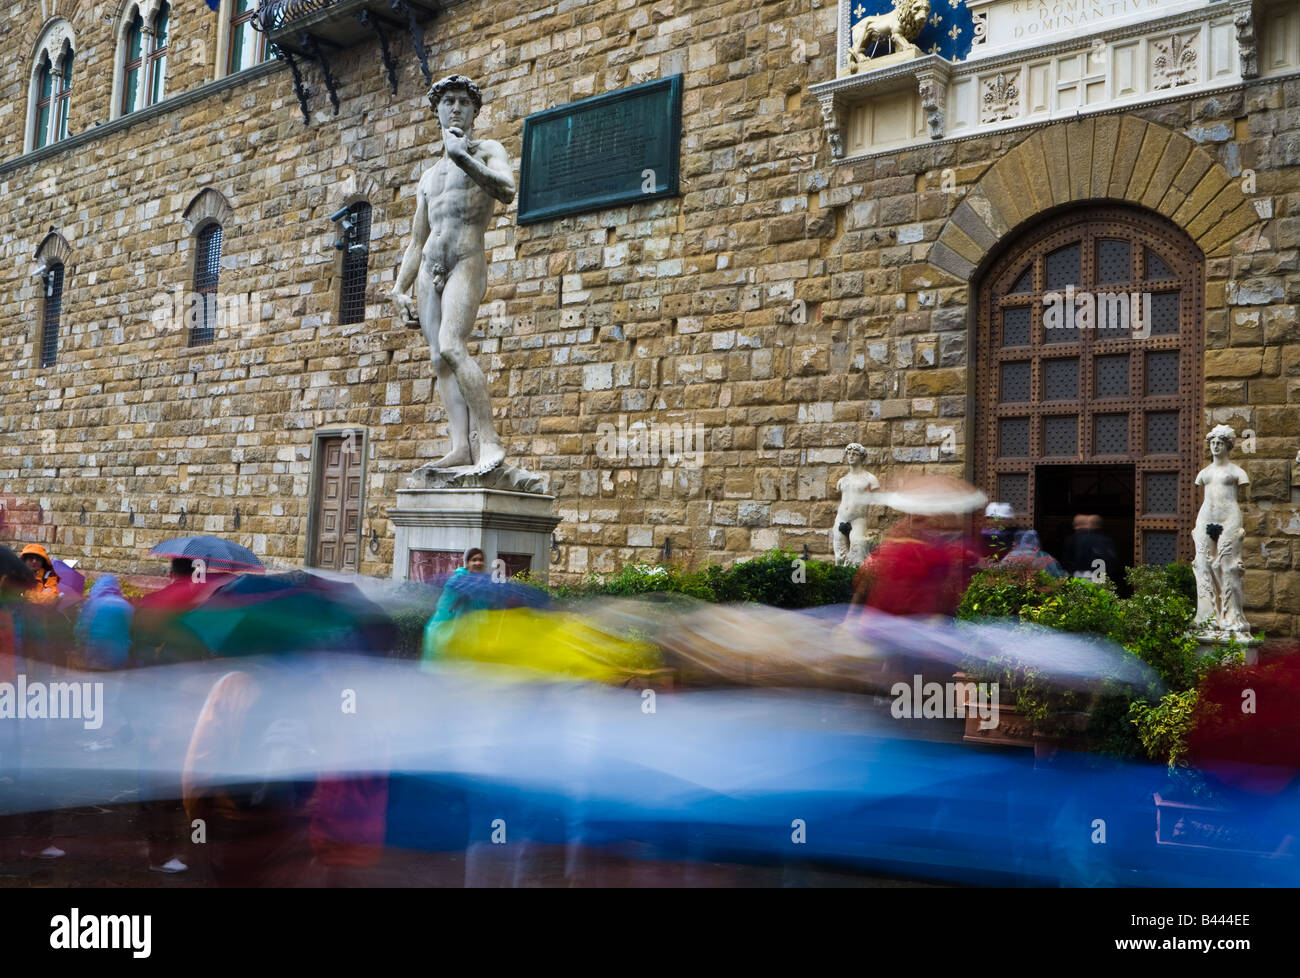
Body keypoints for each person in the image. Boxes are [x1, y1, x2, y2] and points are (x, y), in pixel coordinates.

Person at [387, 75, 517, 475]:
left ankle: (490, 441)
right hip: (429, 266)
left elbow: (507, 190)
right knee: (438, 360)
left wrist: (463, 157)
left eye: (463, 102)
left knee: (452, 347)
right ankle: (461, 446)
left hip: (466, 259)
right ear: (437, 111)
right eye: (448, 102)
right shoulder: (427, 177)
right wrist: (398, 288)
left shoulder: (487, 150)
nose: (456, 108)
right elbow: (415, 239)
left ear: (475, 111)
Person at [421, 548, 489, 668]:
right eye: (474, 560)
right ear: (467, 563)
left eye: (481, 560)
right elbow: (443, 607)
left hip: (472, 634)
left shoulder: (483, 584)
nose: (478, 563)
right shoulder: (457, 580)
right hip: (454, 631)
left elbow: (483, 611)